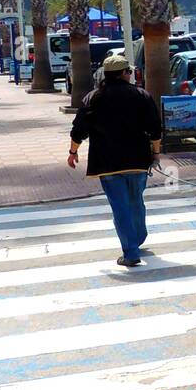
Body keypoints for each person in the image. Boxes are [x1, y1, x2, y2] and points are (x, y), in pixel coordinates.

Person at [67, 55, 162, 267]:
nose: (130, 74)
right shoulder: (141, 95)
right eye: (128, 71)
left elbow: (79, 129)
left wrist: (73, 152)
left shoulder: (93, 98)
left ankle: (131, 251)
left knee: (120, 207)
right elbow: (155, 128)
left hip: (107, 163)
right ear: (123, 73)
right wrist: (156, 153)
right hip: (138, 160)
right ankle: (136, 239)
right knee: (136, 201)